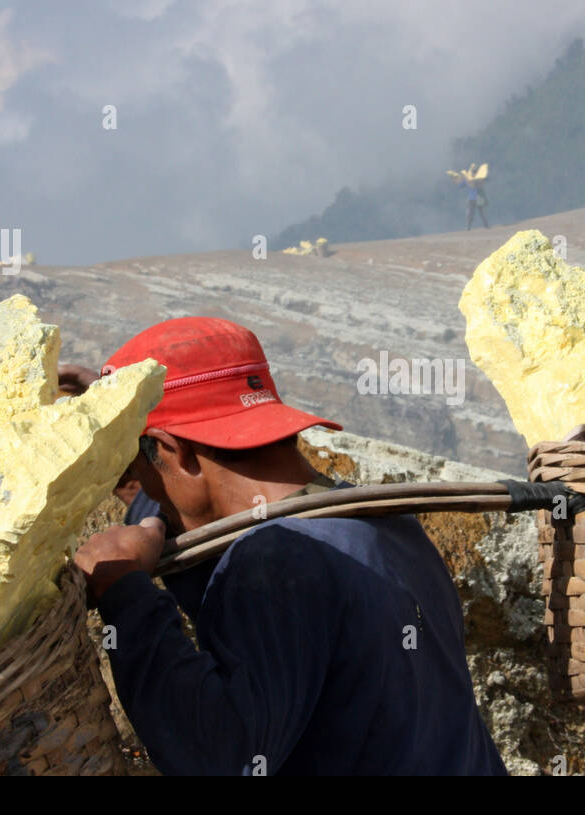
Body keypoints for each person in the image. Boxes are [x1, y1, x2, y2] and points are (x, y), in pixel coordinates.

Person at [66, 318, 507, 775]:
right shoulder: (380, 519)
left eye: (143, 466)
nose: (152, 496)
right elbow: (202, 521)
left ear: (173, 451)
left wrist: (126, 595)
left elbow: (219, 759)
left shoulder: (276, 562)